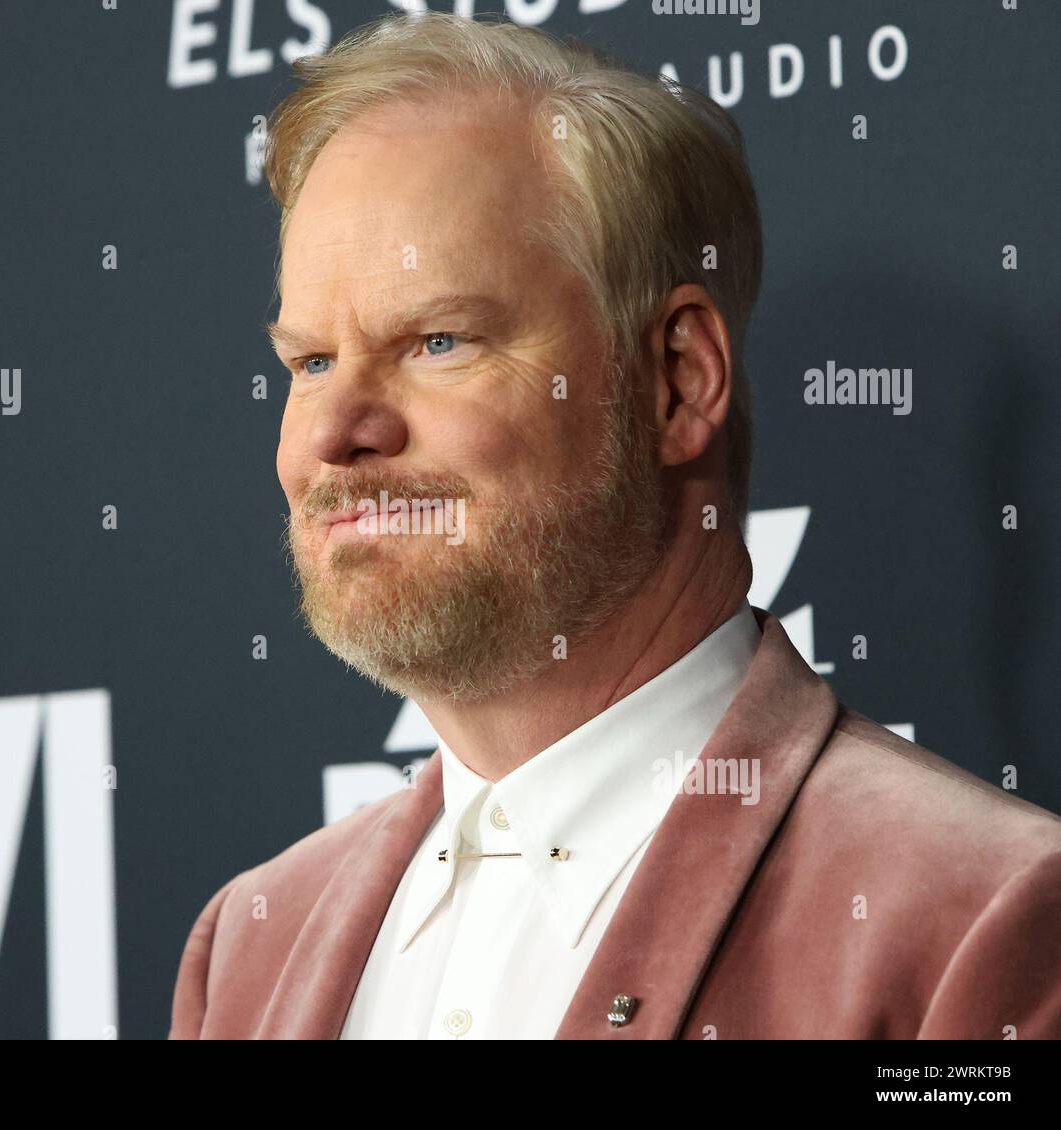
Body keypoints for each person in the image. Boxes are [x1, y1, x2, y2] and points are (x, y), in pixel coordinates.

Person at [170, 12, 1061, 1040]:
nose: (332, 430)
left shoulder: (983, 923)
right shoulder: (244, 949)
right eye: (310, 362)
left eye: (436, 340)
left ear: (677, 382)